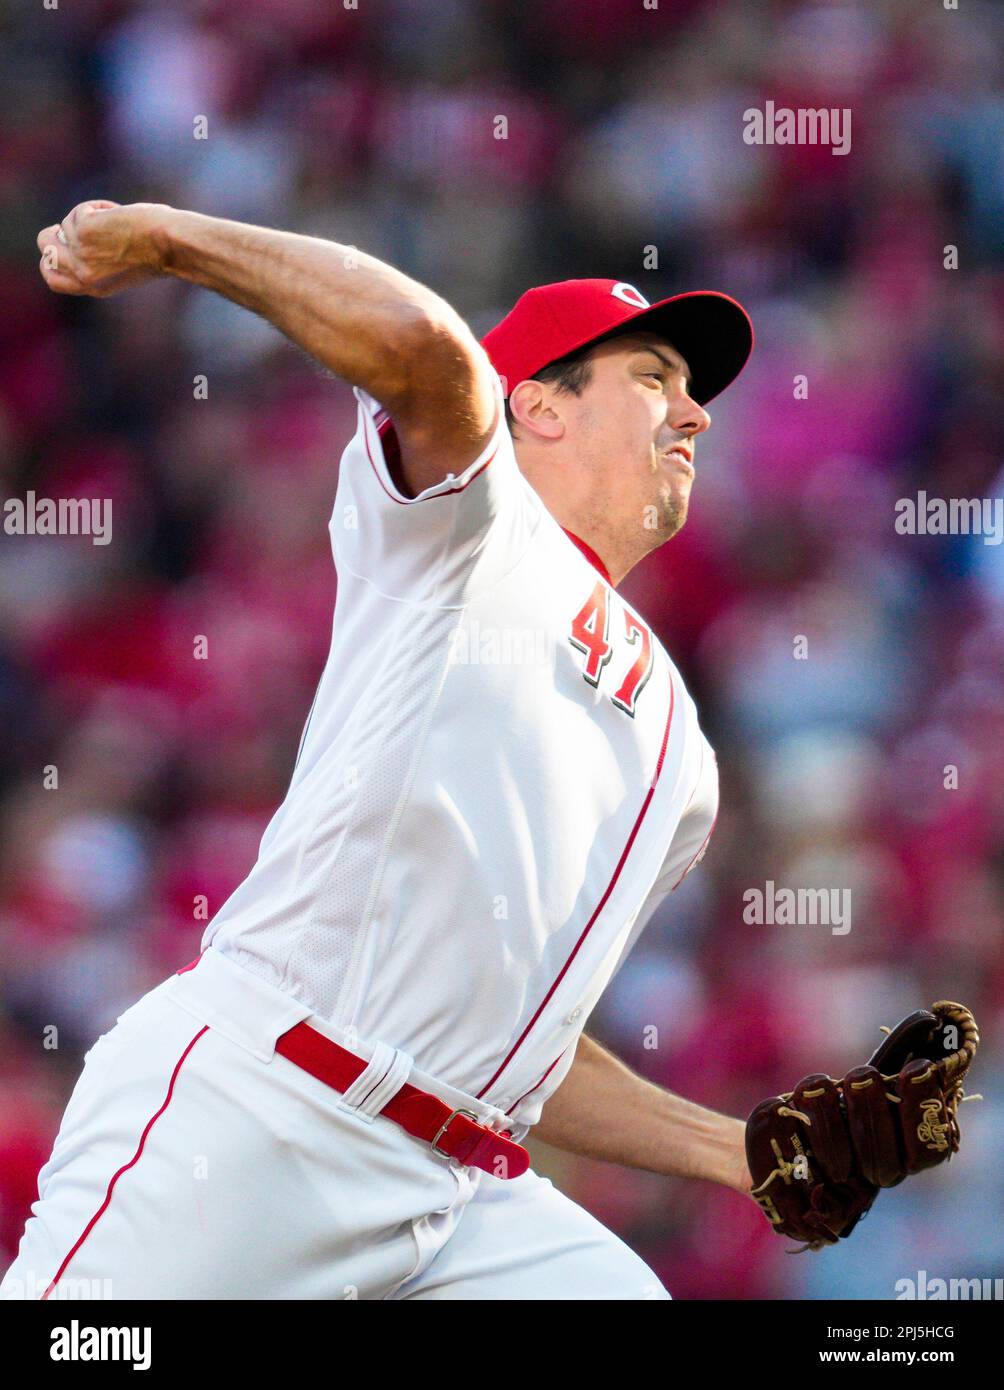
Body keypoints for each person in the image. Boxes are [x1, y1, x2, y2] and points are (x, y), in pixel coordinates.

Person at [4, 200, 754, 1301]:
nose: (691, 411)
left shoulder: (682, 756)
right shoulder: (468, 523)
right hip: (267, 1107)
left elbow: (524, 1050)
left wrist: (740, 1155)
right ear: (534, 405)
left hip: (464, 1188)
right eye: (651, 376)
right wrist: (165, 237)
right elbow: (420, 350)